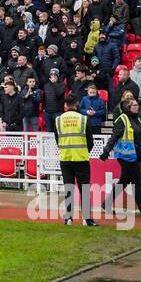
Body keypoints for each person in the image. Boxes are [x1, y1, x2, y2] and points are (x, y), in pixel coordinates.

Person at [99, 94, 141, 219]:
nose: (137, 106)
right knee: (136, 182)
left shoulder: (138, 119)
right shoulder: (122, 119)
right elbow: (114, 137)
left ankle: (106, 204)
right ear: (128, 107)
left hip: (135, 155)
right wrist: (106, 151)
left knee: (124, 181)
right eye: (134, 105)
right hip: (126, 157)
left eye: (137, 105)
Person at [54, 93, 96, 226]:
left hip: (65, 158)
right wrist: (84, 151)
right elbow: (90, 141)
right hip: (81, 158)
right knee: (84, 188)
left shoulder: (58, 120)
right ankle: (86, 219)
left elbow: (57, 139)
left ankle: (68, 218)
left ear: (65, 105)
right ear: (77, 104)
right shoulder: (83, 119)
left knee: (68, 188)